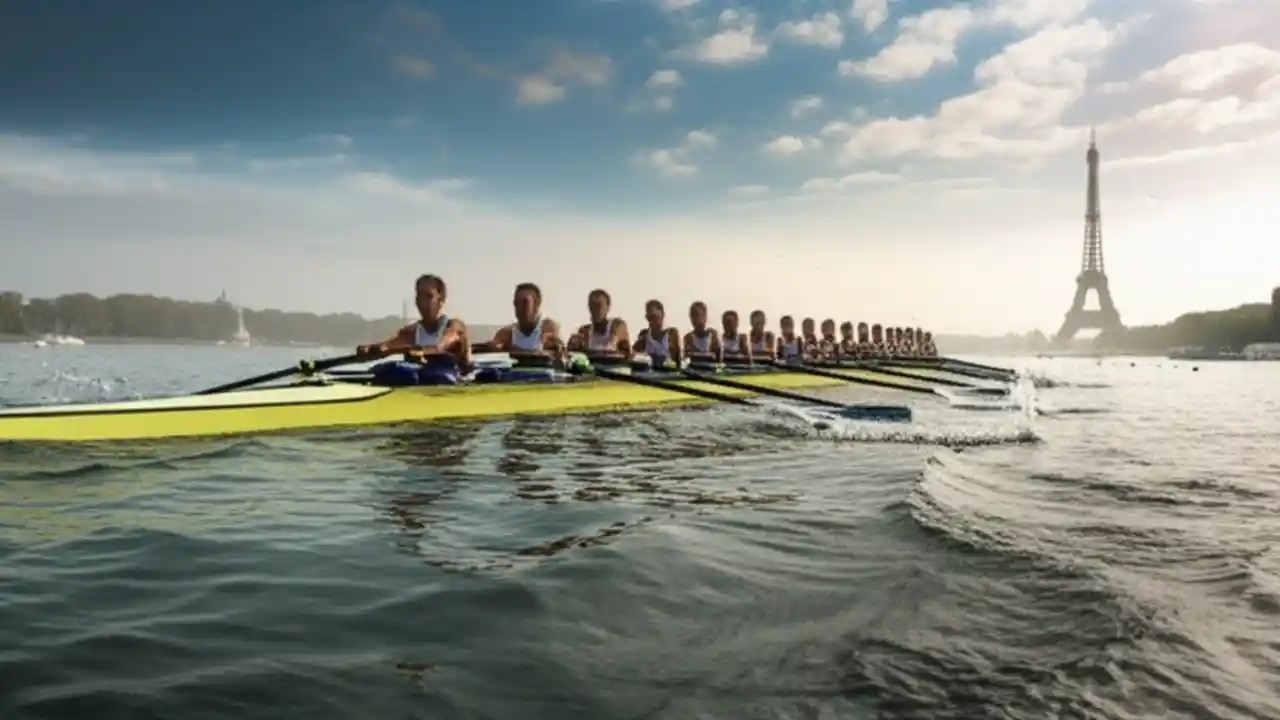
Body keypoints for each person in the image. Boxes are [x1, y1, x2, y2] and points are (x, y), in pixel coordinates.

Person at [358, 274, 470, 367]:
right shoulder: (410, 332)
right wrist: (372, 349)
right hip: (425, 384)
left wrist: (422, 352)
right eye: (419, 296)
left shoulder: (455, 326)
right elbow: (390, 345)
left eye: (429, 296)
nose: (423, 302)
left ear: (441, 299)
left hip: (455, 383)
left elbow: (442, 345)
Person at [479, 282, 564, 358]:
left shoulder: (549, 329)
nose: (519, 307)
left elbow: (556, 358)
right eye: (516, 303)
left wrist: (509, 350)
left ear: (537, 304)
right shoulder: (505, 334)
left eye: (525, 303)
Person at [568, 288, 630, 354]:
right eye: (592, 306)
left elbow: (612, 345)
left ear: (608, 307)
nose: (595, 310)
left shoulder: (617, 325)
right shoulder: (585, 330)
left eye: (599, 306)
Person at [634, 299, 683, 368]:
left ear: (662, 315)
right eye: (649, 317)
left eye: (654, 316)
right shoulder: (644, 335)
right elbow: (635, 356)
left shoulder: (672, 334)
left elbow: (678, 358)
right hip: (649, 371)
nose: (651, 321)